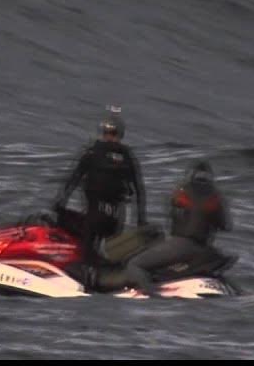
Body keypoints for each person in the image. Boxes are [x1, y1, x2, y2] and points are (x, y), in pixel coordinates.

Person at [103, 159, 231, 295]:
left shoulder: (181, 192)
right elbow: (226, 225)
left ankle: (150, 292)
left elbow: (171, 216)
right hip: (204, 248)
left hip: (181, 244)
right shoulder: (216, 197)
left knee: (134, 264)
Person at [52, 106, 147, 266]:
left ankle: (85, 274)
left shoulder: (92, 152)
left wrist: (59, 203)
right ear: (121, 134)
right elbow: (139, 190)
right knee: (108, 252)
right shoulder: (127, 156)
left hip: (94, 214)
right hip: (116, 219)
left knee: (87, 251)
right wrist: (141, 221)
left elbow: (73, 179)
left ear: (103, 132)